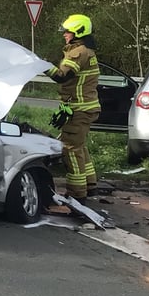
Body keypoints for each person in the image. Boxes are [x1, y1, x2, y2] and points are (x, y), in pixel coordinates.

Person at [44, 14, 101, 203]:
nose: (64, 35)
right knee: (80, 147)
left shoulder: (78, 52)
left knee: (71, 150)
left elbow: (62, 76)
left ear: (78, 32)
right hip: (85, 107)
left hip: (78, 109)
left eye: (67, 32)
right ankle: (90, 184)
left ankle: (77, 193)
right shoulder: (87, 51)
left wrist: (43, 66)